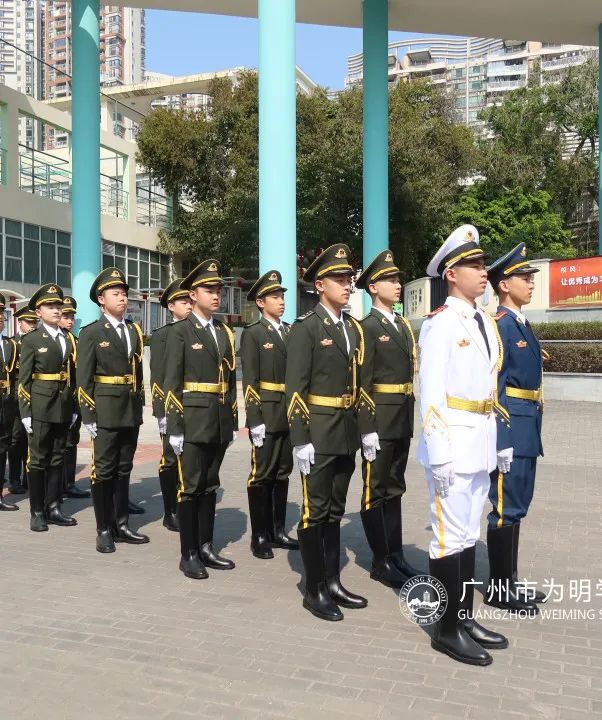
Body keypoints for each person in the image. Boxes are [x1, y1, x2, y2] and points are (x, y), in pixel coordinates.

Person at [418, 225, 508, 666]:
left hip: (481, 439)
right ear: (451, 273)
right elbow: (431, 395)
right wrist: (439, 454)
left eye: (482, 263)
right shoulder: (439, 324)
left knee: (469, 534)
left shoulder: (483, 321)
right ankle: (446, 628)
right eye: (474, 264)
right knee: (447, 537)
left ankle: (464, 617)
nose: (483, 271)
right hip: (452, 444)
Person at [285, 243, 367, 622]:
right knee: (314, 511)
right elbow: (295, 388)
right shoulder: (306, 328)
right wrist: (300, 439)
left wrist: (366, 430)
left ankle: (332, 581)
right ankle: (313, 587)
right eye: (339, 279)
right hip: (318, 430)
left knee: (334, 509)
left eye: (348, 278)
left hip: (345, 431)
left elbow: (360, 383)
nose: (347, 284)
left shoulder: (351, 327)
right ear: (320, 285)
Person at [164, 259, 237, 579]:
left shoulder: (223, 331)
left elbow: (231, 380)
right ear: (192, 294)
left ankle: (207, 546)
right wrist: (175, 427)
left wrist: (232, 421)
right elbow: (171, 382)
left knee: (209, 485)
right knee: (190, 487)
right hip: (192, 419)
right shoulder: (181, 331)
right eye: (209, 289)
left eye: (218, 289)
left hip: (218, 419)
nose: (216, 295)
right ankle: (188, 552)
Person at [485, 243, 545, 616]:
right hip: (513, 427)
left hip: (528, 424)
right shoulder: (500, 326)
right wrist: (502, 439)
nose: (531, 283)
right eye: (524, 277)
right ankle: (498, 588)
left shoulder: (520, 323)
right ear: (504, 285)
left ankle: (510, 580)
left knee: (517, 507)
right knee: (505, 508)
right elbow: (496, 386)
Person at [355, 250, 420, 587]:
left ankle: (396, 555)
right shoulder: (366, 327)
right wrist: (366, 429)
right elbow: (362, 383)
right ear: (372, 287)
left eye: (397, 279)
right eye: (390, 280)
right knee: (375, 489)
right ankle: (380, 560)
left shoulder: (402, 324)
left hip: (401, 418)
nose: (397, 285)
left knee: (394, 487)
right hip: (379, 420)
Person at [77, 267, 148, 553]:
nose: (122, 298)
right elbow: (84, 378)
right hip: (105, 409)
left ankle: (122, 524)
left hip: (129, 408)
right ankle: (103, 528)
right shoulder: (92, 332)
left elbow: (138, 372)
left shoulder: (133, 330)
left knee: (124, 467)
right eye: (115, 294)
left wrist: (140, 406)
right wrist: (88, 414)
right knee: (103, 471)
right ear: (101, 300)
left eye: (124, 293)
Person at [240, 270, 298, 559]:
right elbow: (249, 379)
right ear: (261, 302)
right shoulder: (254, 333)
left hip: (287, 412)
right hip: (266, 410)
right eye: (275, 297)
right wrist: (255, 419)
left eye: (282, 296)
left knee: (283, 473)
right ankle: (259, 535)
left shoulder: (289, 331)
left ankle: (277, 529)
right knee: (262, 475)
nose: (281, 301)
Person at [18, 284, 78, 531]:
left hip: (62, 405)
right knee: (38, 459)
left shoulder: (68, 339)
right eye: (50, 306)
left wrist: (74, 406)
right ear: (38, 312)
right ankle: (37, 511)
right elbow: (23, 380)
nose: (56, 310)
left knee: (57, 457)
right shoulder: (32, 339)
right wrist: (26, 413)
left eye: (58, 306)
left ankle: (54, 507)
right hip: (41, 405)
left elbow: (72, 375)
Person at [149, 278, 192, 532]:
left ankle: (185, 505)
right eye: (183, 301)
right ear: (171, 306)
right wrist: (161, 411)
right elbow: (158, 375)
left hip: (195, 404)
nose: (188, 305)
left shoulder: (197, 330)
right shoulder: (163, 335)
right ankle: (170, 510)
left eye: (189, 300)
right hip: (172, 405)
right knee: (169, 459)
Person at [59, 295, 90, 500]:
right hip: (56, 402)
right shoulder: (53, 340)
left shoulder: (76, 342)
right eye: (66, 316)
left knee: (71, 442)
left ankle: (69, 483)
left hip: (73, 401)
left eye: (72, 316)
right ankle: (56, 486)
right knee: (56, 445)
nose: (70, 320)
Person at [7, 306, 38, 495]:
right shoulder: (13, 344)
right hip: (18, 398)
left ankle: (29, 477)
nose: (33, 326)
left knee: (31, 439)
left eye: (36, 322)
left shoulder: (38, 342)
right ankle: (14, 479)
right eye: (30, 323)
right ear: (21, 323)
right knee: (16, 438)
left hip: (37, 397)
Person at [0, 294, 20, 511]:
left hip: (6, 404)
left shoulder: (10, 345)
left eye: (1, 313)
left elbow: (15, 377)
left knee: (2, 449)